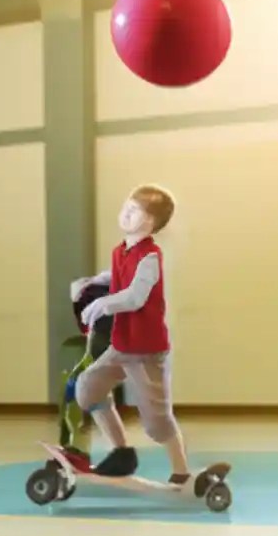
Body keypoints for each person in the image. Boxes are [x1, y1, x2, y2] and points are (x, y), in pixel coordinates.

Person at [70, 184, 189, 484]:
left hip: (147, 351)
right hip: (122, 345)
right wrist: (94, 282)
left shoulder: (150, 257)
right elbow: (119, 276)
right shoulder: (121, 250)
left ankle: (181, 473)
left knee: (156, 421)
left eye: (134, 210)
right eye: (127, 205)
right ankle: (121, 453)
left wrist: (102, 303)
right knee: (88, 388)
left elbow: (135, 296)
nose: (126, 212)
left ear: (150, 222)